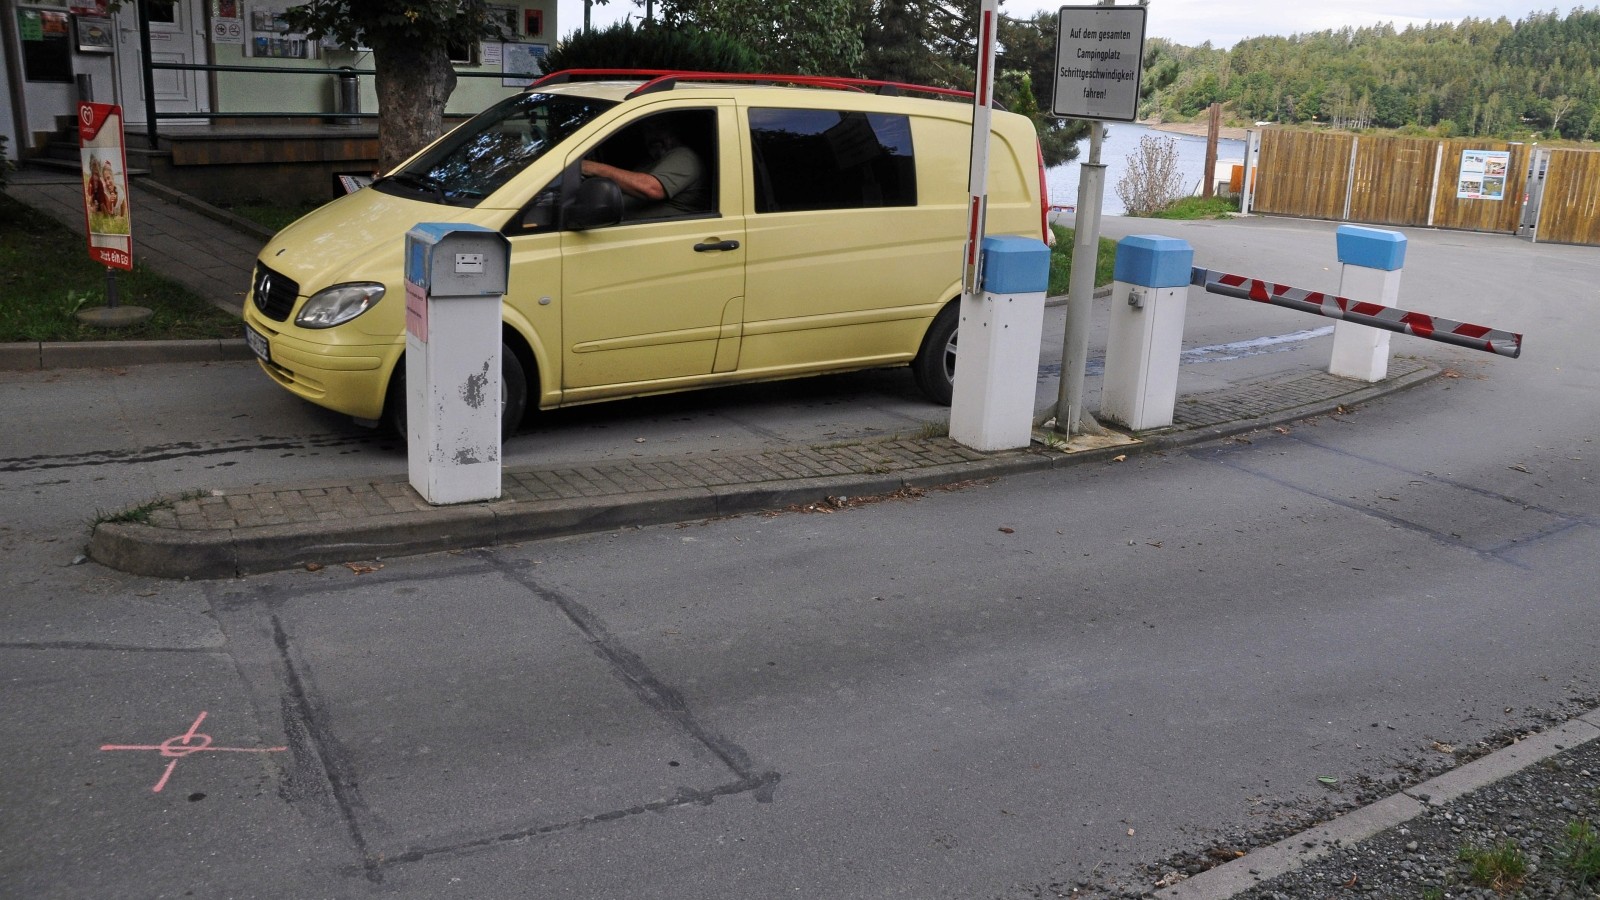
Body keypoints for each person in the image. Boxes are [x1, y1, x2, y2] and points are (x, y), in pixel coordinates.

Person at [579, 121, 708, 219]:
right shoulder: (649, 161)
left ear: (676, 130)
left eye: (660, 127)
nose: (653, 135)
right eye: (648, 129)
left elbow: (652, 188)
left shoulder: (684, 156)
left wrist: (593, 168)